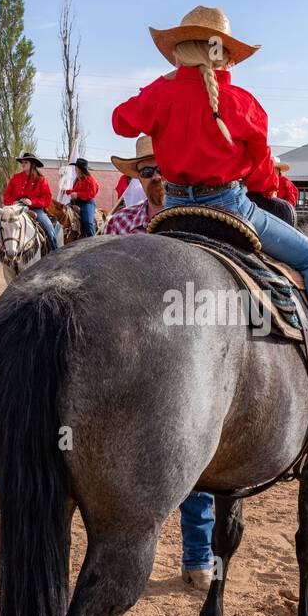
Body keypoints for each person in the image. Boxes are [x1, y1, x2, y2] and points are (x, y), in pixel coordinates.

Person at [112, 5, 308, 395]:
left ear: (179, 51)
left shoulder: (161, 94)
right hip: (230, 207)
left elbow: (120, 121)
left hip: (173, 209)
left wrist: (159, 85)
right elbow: (261, 170)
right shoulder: (240, 101)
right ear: (225, 54)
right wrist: (264, 184)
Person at [107, 135, 215, 590]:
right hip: (129, 355)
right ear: (139, 179)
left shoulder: (202, 224)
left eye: (163, 168)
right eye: (147, 172)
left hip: (186, 359)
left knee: (197, 463)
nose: (156, 179)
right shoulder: (121, 225)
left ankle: (198, 556)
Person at [0, 152, 57, 268]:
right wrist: (14, 203)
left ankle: (56, 257)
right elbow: (6, 197)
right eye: (22, 162)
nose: (23, 164)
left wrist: (32, 202)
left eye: (25, 162)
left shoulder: (41, 180)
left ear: (32, 164)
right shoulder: (16, 178)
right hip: (16, 208)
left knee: (49, 228)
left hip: (36, 210)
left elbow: (47, 199)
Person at [64, 158, 99, 236]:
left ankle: (93, 240)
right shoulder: (77, 180)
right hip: (76, 203)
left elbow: (92, 194)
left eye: (76, 168)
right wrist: (67, 191)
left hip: (87, 203)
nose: (75, 169)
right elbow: (75, 190)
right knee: (63, 212)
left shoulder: (90, 180)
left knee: (88, 222)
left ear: (80, 169)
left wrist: (78, 195)